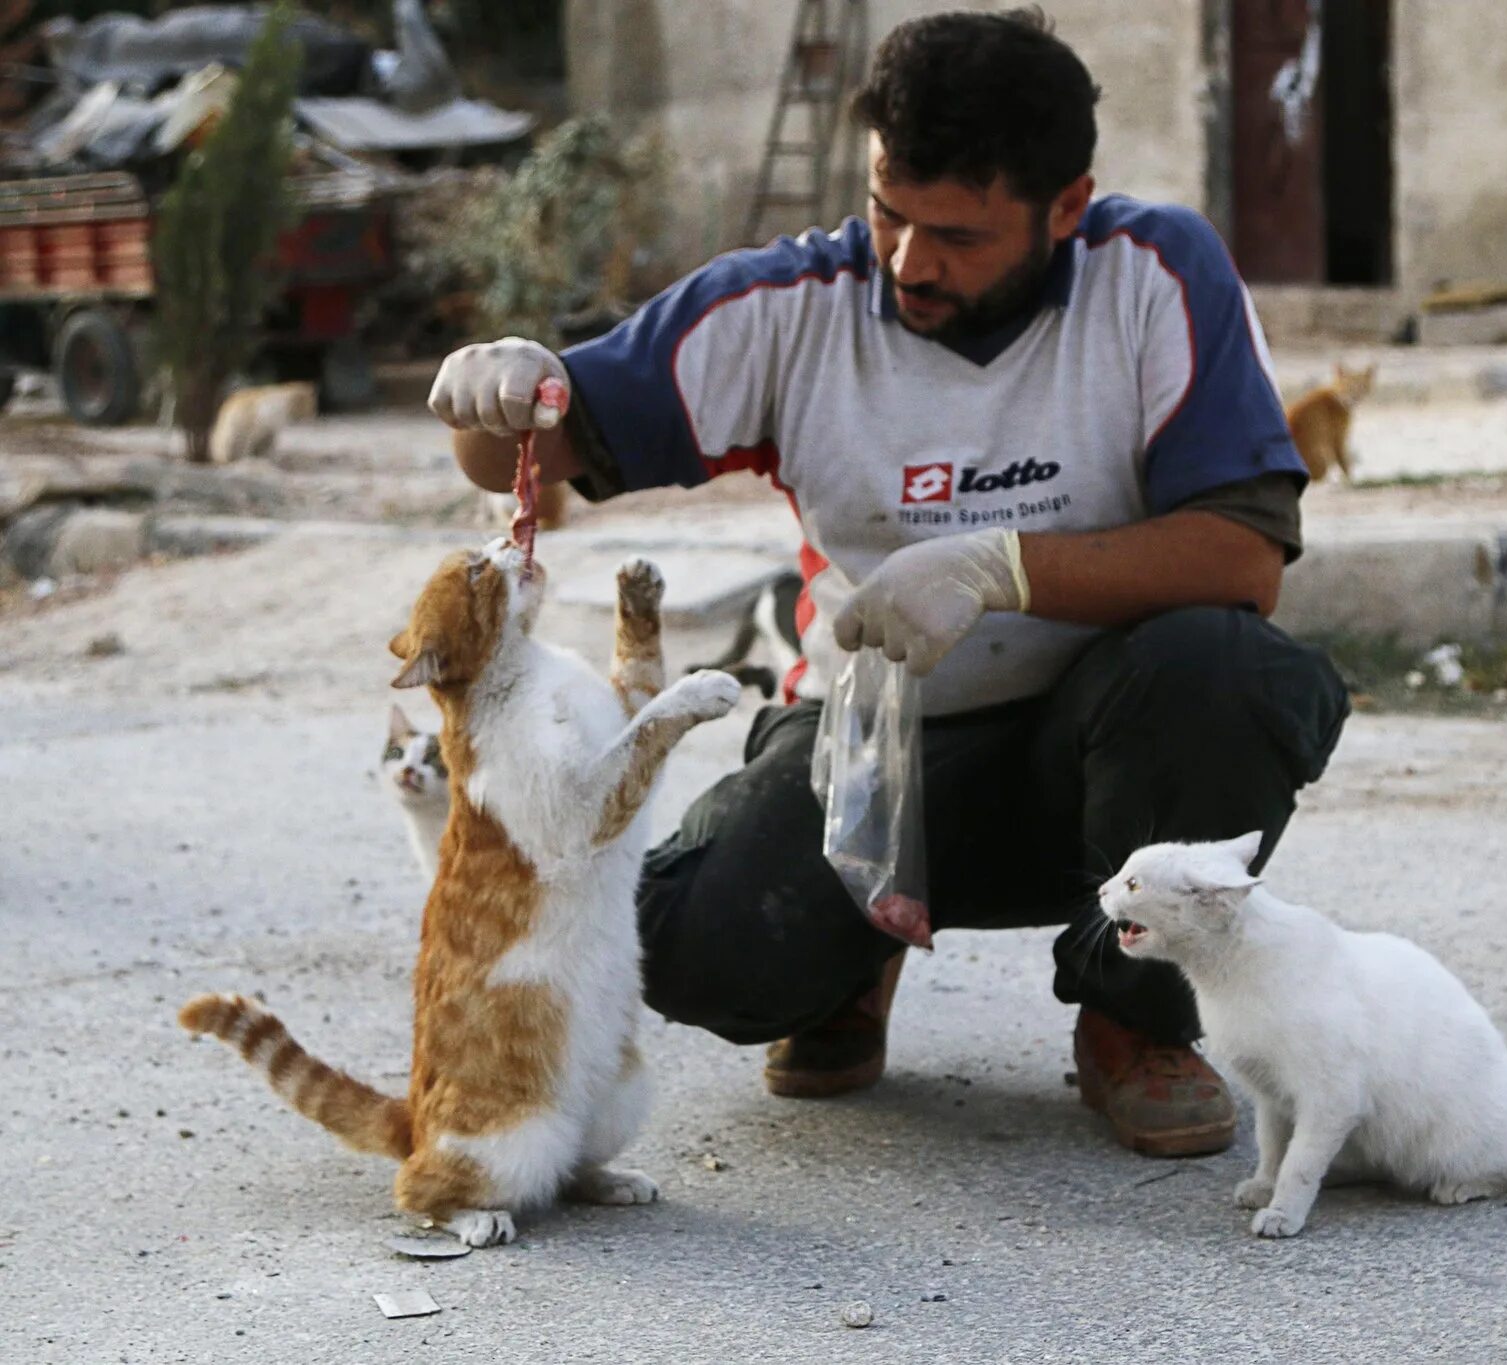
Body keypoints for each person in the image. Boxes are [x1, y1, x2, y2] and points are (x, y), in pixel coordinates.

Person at [429, 7, 1348, 1158]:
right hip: (870, 760)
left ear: (1065, 207)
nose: (910, 263)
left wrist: (999, 565)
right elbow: (543, 437)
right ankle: (840, 971)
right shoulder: (792, 306)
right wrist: (495, 397)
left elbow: (1241, 557)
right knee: (687, 939)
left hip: (1104, 754)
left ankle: (1135, 1017)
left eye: (958, 236)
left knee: (1224, 673)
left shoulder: (1154, 276)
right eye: (887, 215)